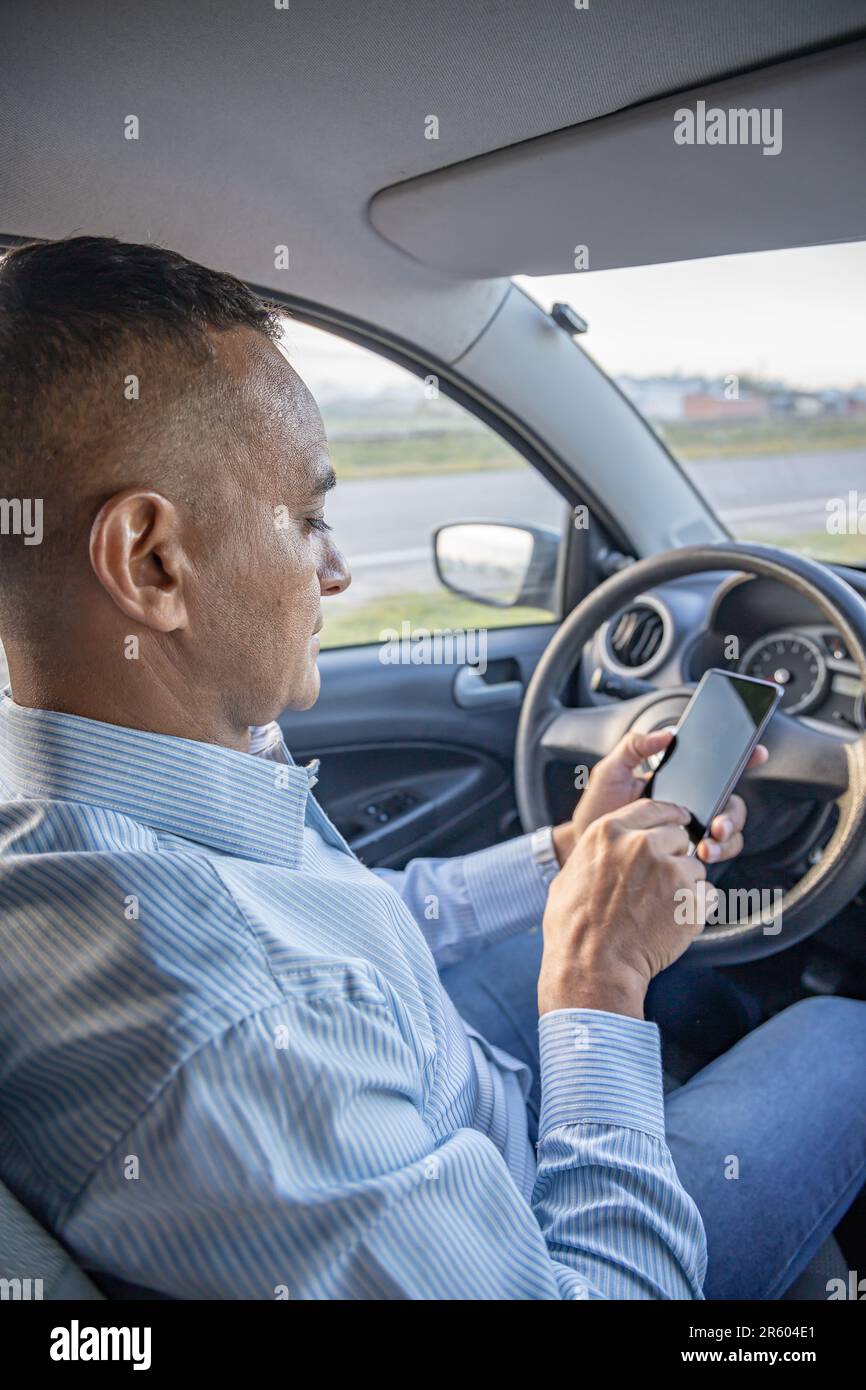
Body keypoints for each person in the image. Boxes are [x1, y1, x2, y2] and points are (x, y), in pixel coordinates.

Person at [0, 236, 863, 1300]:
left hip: (439, 1087)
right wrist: (594, 983)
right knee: (837, 1031)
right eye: (308, 518)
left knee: (694, 968)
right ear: (151, 562)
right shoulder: (228, 1031)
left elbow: (357, 927)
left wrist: (564, 854)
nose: (340, 569)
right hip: (536, 1232)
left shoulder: (98, 785)